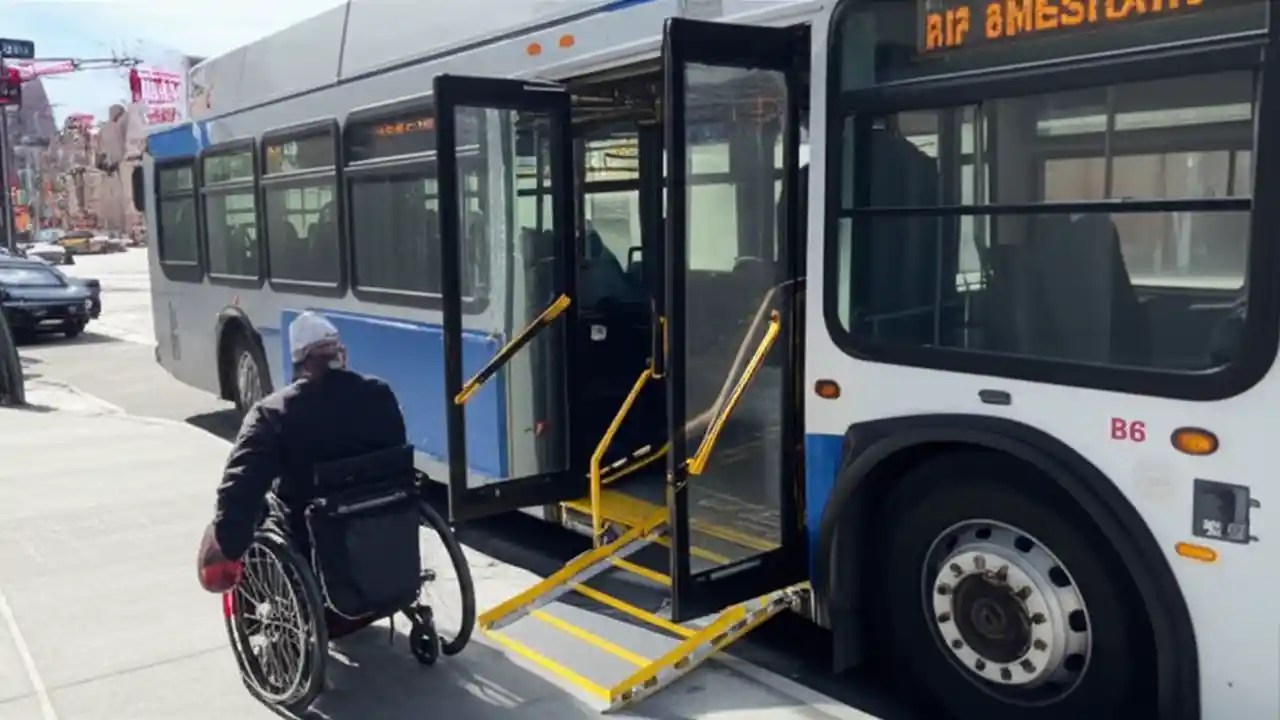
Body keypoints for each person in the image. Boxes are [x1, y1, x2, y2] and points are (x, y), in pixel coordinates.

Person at [198, 311, 409, 637]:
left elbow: (240, 486)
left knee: (257, 511)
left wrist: (226, 541)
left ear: (298, 362)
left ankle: (255, 617)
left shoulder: (274, 412)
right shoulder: (379, 394)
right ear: (341, 353)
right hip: (383, 524)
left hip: (314, 533)